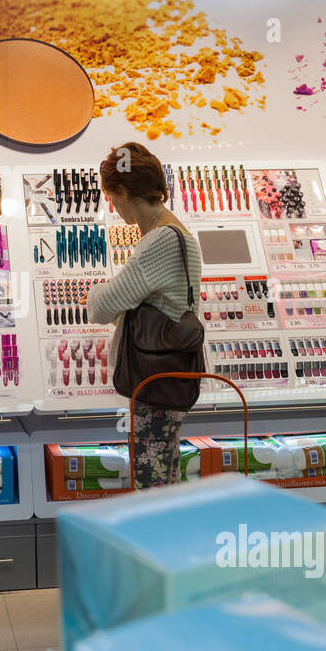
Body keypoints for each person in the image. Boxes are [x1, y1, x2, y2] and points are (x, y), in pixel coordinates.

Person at [86, 142, 202, 489]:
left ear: (123, 191)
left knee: (150, 485)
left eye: (112, 196)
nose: (113, 205)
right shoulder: (175, 231)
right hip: (167, 378)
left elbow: (102, 306)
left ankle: (157, 543)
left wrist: (92, 294)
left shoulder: (160, 240)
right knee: (165, 477)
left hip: (155, 381)